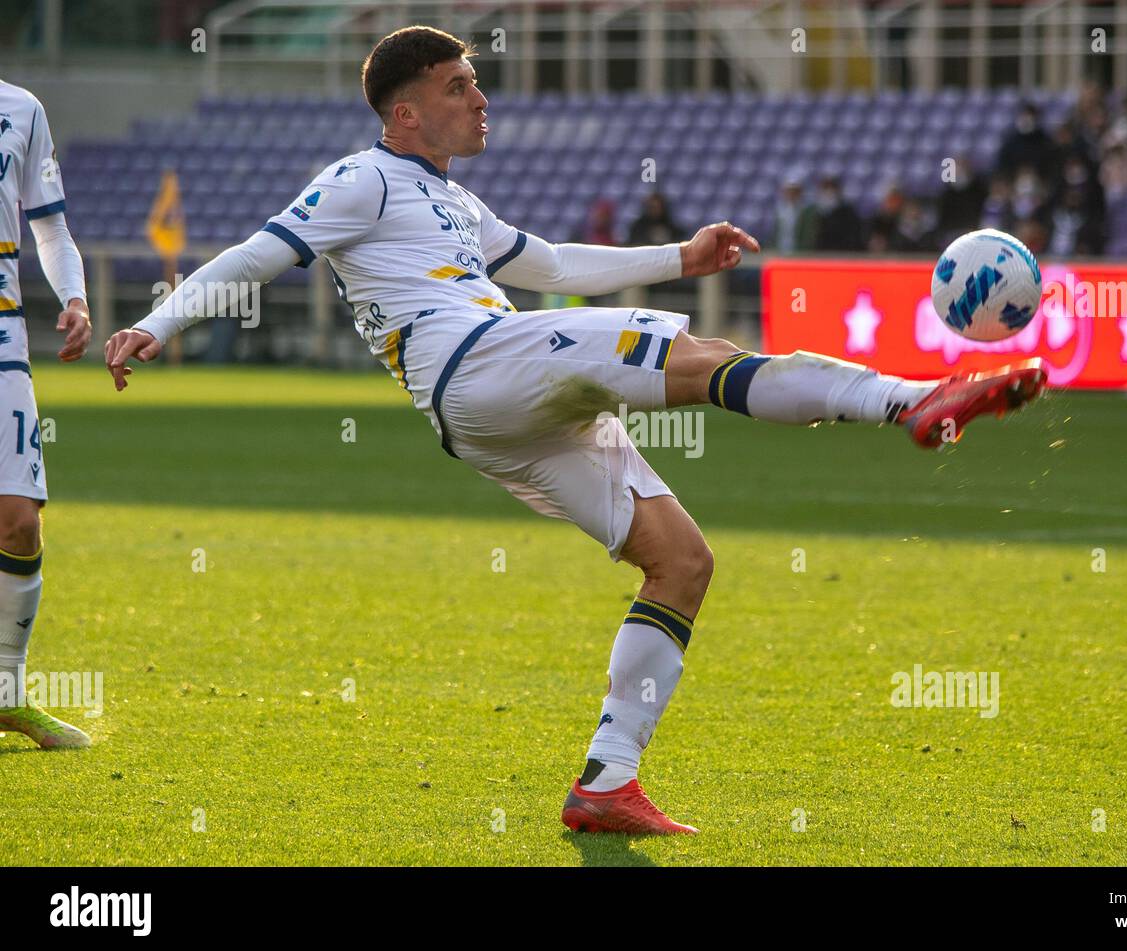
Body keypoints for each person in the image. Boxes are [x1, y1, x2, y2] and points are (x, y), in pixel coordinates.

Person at [104, 27, 1047, 835]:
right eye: (456, 87)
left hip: (489, 412)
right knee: (708, 352)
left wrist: (679, 255)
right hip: (480, 361)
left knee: (682, 561)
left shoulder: (453, 198)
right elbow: (259, 251)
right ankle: (909, 400)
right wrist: (158, 322)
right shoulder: (363, 177)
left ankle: (607, 781)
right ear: (403, 114)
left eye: (475, 82)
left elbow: (551, 261)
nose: (480, 98)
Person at [0, 79, 93, 749]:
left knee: (19, 518)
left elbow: (51, 226)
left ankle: (6, 692)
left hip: (3, 335)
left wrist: (76, 297)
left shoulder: (22, 108)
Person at [770, 176, 817, 253]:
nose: (791, 194)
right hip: (781, 250)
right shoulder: (780, 209)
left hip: (799, 252)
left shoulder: (806, 211)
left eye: (794, 191)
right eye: (788, 191)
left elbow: (808, 235)